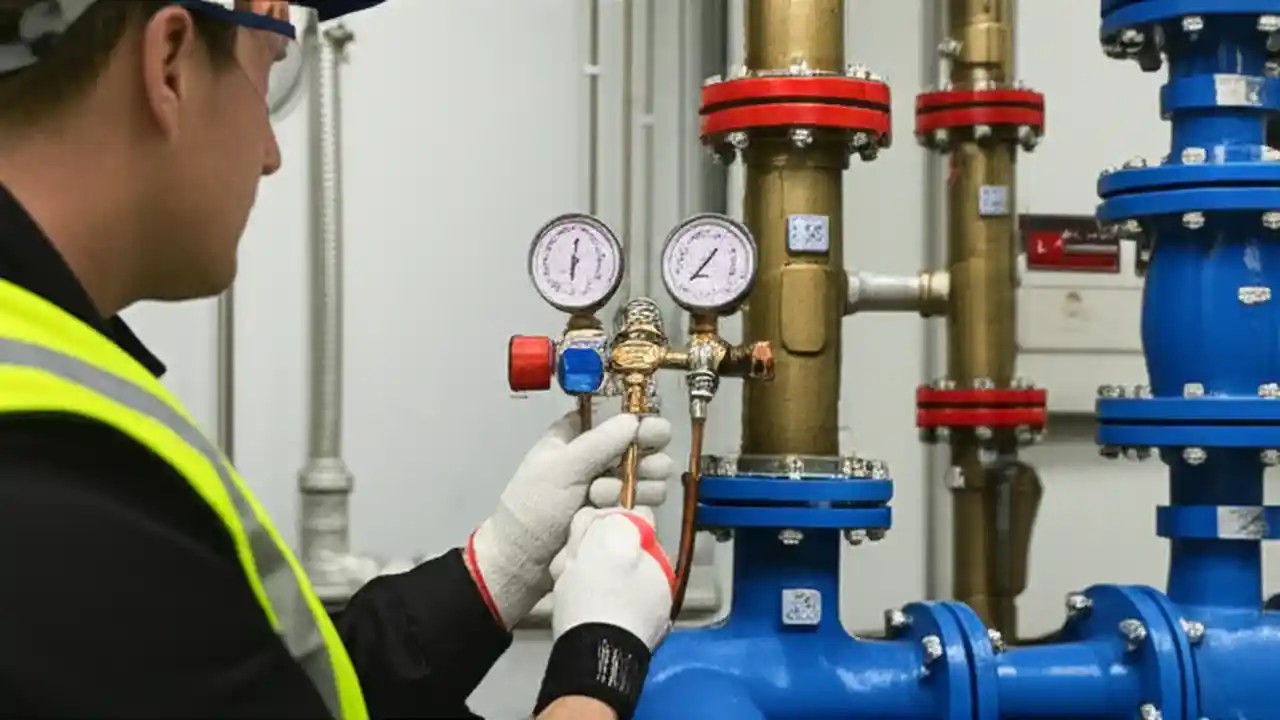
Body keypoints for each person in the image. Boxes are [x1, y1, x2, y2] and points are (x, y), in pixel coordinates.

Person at [0, 1, 677, 718]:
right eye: (268, 76)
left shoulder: (49, 390)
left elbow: (281, 695)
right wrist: (599, 661)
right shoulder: (49, 477)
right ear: (169, 61)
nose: (270, 151)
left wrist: (499, 566)